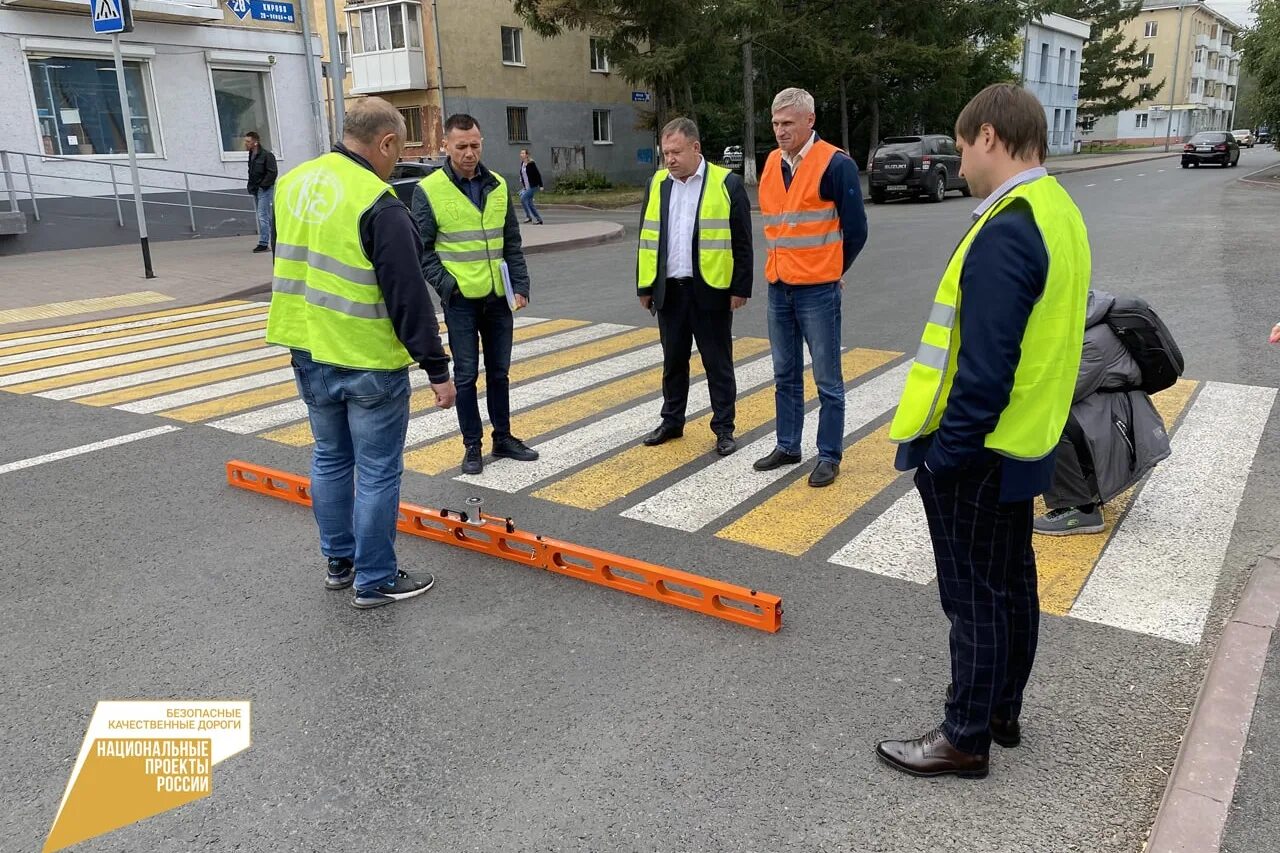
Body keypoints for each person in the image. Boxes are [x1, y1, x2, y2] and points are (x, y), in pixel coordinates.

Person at [876, 83, 1091, 778]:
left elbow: (984, 367)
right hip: (1026, 440)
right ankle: (1001, 711)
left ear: (990, 138)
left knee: (973, 595)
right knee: (1009, 583)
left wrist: (946, 456)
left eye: (963, 144)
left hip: (980, 447)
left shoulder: (1006, 226)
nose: (959, 159)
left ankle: (964, 735)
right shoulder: (1057, 210)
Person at [265, 97, 456, 610]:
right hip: (366, 358)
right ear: (386, 142)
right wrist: (438, 369)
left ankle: (340, 563)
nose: (395, 163)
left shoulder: (294, 183)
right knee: (375, 471)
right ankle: (375, 579)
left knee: (329, 458)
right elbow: (408, 295)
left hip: (306, 346)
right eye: (396, 151)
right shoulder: (378, 201)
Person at [412, 114, 539, 475]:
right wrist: (447, 286)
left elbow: (511, 243)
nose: (469, 153)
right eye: (461, 146)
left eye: (475, 145)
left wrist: (520, 285)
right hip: (461, 301)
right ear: (446, 146)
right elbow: (423, 251)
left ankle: (504, 437)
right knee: (466, 376)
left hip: (498, 298)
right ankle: (472, 446)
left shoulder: (497, 184)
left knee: (499, 373)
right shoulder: (430, 190)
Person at [754, 87, 868, 487]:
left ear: (809, 121)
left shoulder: (835, 164)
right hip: (778, 285)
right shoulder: (771, 163)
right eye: (775, 123)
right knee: (784, 373)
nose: (780, 131)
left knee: (826, 378)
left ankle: (829, 455)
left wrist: (834, 268)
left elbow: (856, 230)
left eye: (787, 123)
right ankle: (788, 445)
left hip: (818, 289)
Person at [637, 117, 753, 456]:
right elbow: (647, 238)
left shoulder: (726, 183)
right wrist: (645, 286)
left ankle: (724, 429)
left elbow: (742, 241)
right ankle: (672, 421)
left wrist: (740, 288)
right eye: (665, 153)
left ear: (695, 148)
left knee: (718, 363)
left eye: (675, 152)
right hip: (669, 290)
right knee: (673, 361)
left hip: (711, 289)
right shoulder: (658, 183)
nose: (669, 159)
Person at [1035, 291, 1172, 536]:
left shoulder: (1092, 343)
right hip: (1108, 414)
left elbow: (1061, 394)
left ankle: (1079, 508)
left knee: (1045, 420)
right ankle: (1086, 483)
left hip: (1115, 424)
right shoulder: (1092, 318)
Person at [244, 131, 277, 253]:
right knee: (266, 216)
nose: (245, 144)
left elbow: (272, 172)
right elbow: (251, 172)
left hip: (265, 189)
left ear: (255, 142)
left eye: (248, 141)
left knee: (262, 215)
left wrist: (263, 185)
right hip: (256, 189)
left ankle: (263, 244)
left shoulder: (267, 155)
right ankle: (277, 237)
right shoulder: (252, 154)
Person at [518, 149, 544, 225]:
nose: (521, 154)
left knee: (523, 198)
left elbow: (538, 174)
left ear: (526, 155)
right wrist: (521, 179)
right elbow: (523, 174)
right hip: (527, 186)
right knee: (530, 203)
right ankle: (539, 220)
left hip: (533, 186)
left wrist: (541, 185)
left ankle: (528, 217)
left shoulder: (531, 164)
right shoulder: (522, 163)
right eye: (521, 153)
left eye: (523, 153)